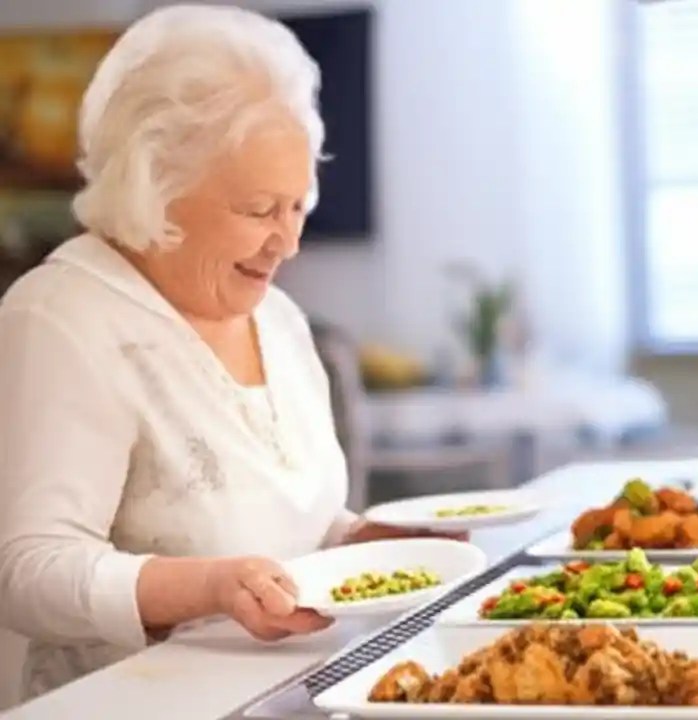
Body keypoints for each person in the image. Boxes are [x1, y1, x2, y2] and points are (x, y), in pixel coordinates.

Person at [0, 4, 450, 700]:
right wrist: (207, 587)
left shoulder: (278, 319)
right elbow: (26, 572)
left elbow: (285, 525)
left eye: (297, 208)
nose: (288, 243)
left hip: (296, 695)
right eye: (259, 210)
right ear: (157, 184)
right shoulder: (60, 317)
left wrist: (364, 540)